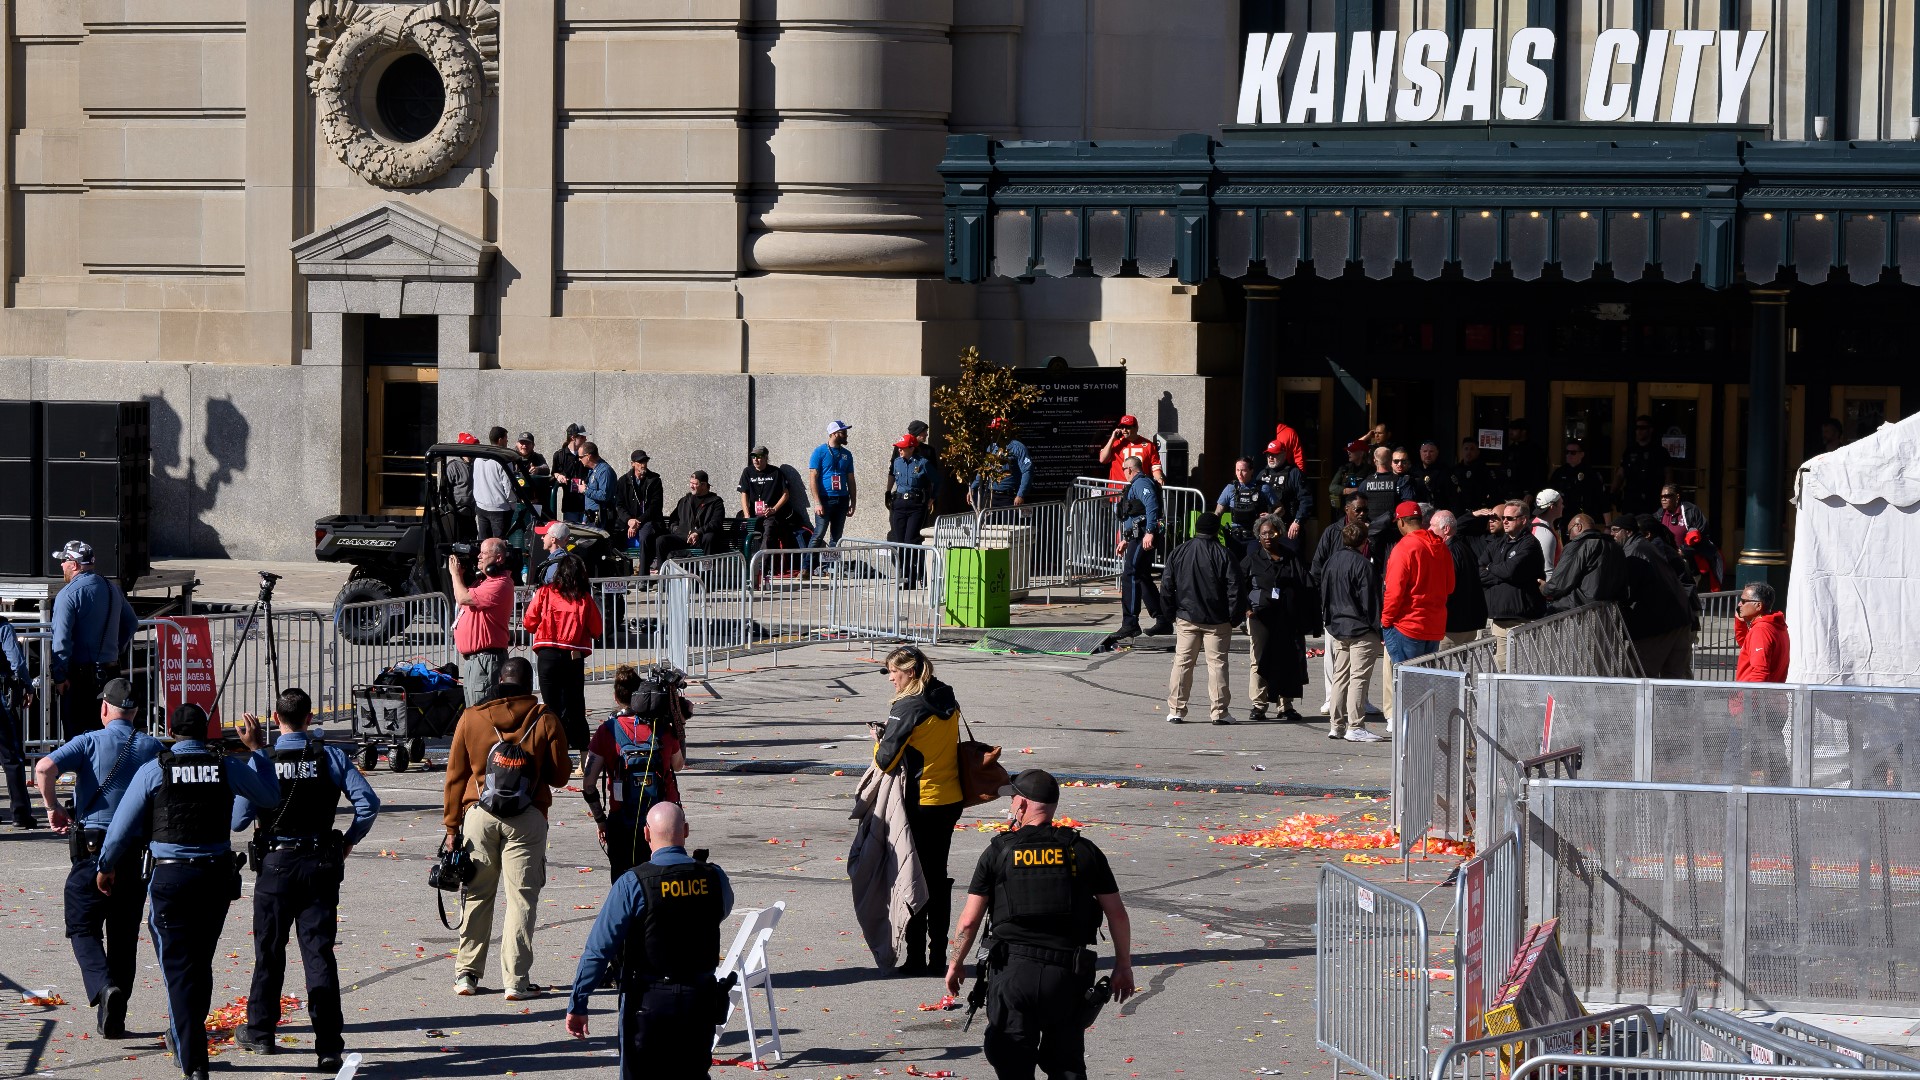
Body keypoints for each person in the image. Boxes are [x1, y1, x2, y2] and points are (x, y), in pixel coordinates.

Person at [97, 703, 278, 1080]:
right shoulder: (226, 766)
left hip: (172, 879)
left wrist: (106, 866)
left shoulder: (156, 769)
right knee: (199, 963)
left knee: (179, 970)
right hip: (214, 878)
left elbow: (120, 828)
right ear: (207, 731)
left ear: (172, 732)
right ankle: (186, 1041)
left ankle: (193, 1058)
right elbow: (269, 798)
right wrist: (258, 751)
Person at [943, 769, 1135, 1079]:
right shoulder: (1082, 851)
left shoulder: (999, 852)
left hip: (1013, 973)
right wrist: (1123, 965)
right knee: (1067, 1065)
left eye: (1012, 799)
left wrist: (956, 963)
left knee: (1012, 1062)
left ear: (1022, 804)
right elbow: (1118, 915)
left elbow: (968, 921)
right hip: (1067, 975)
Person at [232, 688, 381, 1072]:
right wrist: (347, 842)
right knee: (318, 954)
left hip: (276, 865)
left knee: (269, 951)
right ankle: (328, 1045)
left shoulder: (263, 760)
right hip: (318, 864)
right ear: (310, 719)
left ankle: (262, 1032)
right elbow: (368, 803)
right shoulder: (329, 755)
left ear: (275, 718)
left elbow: (237, 821)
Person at [566, 802, 734, 1079]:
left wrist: (578, 1002)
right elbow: (720, 912)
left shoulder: (634, 883)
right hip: (700, 998)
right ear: (687, 831)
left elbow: (599, 949)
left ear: (646, 833)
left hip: (648, 999)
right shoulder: (714, 877)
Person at [34, 678, 163, 1037]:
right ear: (135, 712)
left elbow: (44, 768)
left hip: (92, 849)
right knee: (123, 935)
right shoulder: (152, 746)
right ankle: (115, 1019)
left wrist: (53, 808)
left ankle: (105, 988)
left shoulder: (89, 740)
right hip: (134, 853)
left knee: (82, 925)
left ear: (105, 708)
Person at [443, 655, 572, 998]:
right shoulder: (544, 718)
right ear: (530, 686)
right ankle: (516, 980)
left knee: (477, 894)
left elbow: (456, 777)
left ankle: (467, 974)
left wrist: (452, 828)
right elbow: (560, 776)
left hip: (480, 815)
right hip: (527, 816)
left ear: (498, 682)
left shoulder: (472, 718)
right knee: (521, 900)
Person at [870, 646, 964, 974]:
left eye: (894, 672)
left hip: (921, 803)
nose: (891, 679)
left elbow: (886, 761)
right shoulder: (944, 695)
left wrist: (878, 739)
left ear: (909, 671)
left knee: (914, 877)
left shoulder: (907, 706)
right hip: (950, 798)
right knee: (938, 877)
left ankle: (916, 958)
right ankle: (938, 956)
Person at [582, 665, 687, 877]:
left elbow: (588, 783)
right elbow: (678, 765)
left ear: (615, 696)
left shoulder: (607, 731)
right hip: (662, 821)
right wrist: (680, 726)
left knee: (624, 885)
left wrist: (601, 820)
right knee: (661, 885)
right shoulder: (663, 729)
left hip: (622, 821)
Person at [49, 540, 138, 743]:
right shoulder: (111, 588)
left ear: (74, 564)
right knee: (107, 735)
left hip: (80, 678)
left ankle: (81, 775)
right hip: (110, 673)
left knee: (78, 739)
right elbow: (131, 623)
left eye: (64, 560)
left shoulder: (68, 594)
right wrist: (115, 649)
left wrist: (60, 677)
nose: (61, 565)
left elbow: (61, 641)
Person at [1160, 512, 1243, 725]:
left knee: (1182, 662)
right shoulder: (1224, 554)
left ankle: (1176, 709)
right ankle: (1219, 712)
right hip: (1217, 619)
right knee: (1217, 664)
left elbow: (1167, 585)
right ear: (1217, 530)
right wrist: (1235, 617)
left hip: (1186, 616)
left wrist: (1170, 613)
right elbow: (1235, 589)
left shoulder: (1180, 552)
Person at [1380, 501, 1453, 725]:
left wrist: (1385, 621)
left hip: (1407, 625)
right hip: (1432, 625)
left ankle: (1408, 733)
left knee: (1406, 684)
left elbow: (1394, 591)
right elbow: (1450, 586)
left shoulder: (1404, 548)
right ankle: (1421, 730)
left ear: (1401, 522)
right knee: (1423, 683)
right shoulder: (1440, 546)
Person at [524, 553, 601, 758]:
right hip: (573, 655)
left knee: (551, 707)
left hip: (548, 653)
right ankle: (584, 759)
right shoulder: (584, 598)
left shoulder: (544, 592)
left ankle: (554, 756)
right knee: (576, 706)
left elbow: (529, 622)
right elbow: (597, 628)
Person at [1311, 495, 1380, 719]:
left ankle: (1362, 701)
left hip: (1359, 611)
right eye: (1358, 510)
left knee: (1360, 665)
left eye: (1365, 510)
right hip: (1336, 606)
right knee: (1335, 659)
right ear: (1347, 509)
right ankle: (1332, 700)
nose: (1362, 514)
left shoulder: (1371, 533)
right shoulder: (1332, 532)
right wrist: (1324, 598)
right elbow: (1318, 566)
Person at [1241, 515, 1315, 723]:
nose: (1267, 537)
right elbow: (1237, 585)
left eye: (1271, 532)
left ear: (1279, 533)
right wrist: (1246, 609)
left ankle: (1286, 705)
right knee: (1259, 660)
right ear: (1258, 536)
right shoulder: (1252, 559)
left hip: (1287, 618)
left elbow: (1305, 586)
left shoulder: (1291, 557)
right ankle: (1259, 704)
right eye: (1263, 533)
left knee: (1287, 660)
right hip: (1260, 618)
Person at [1320, 522, 1383, 742]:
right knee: (1357, 678)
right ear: (1364, 542)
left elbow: (1324, 594)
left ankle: (1336, 725)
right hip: (1360, 628)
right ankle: (1355, 725)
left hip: (1339, 626)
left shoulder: (1332, 562)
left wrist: (1329, 621)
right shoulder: (1364, 565)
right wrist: (1380, 630)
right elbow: (1371, 602)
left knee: (1340, 676)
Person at [1614, 515, 1694, 679]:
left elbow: (1628, 592)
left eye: (1615, 531)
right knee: (1674, 679)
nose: (1612, 535)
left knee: (1638, 676)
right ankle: (1676, 706)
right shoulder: (1646, 547)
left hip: (1658, 625)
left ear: (1628, 532)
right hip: (1678, 619)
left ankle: (1643, 706)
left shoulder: (1634, 552)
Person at [1731, 582, 1790, 782]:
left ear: (1758, 605)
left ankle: (1727, 804)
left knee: (1734, 760)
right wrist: (1740, 622)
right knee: (1773, 759)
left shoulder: (1762, 630)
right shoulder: (1772, 627)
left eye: (1744, 601)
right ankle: (1781, 798)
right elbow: (1747, 644)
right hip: (1772, 703)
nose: (1739, 604)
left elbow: (1760, 670)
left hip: (1757, 706)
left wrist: (1748, 705)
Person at [1479, 499, 1546, 669]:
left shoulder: (1530, 544)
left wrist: (1491, 568)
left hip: (1522, 617)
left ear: (1523, 520)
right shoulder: (1498, 543)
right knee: (1501, 666)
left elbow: (1511, 570)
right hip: (1499, 617)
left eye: (1510, 518)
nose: (1505, 521)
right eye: (1503, 518)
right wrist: (1502, 574)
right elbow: (1478, 571)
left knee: (1522, 668)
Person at [451, 538, 513, 706]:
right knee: (474, 714)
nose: (479, 556)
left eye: (484, 553)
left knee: (483, 712)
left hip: (485, 660)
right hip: (475, 660)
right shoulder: (483, 582)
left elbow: (463, 597)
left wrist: (455, 574)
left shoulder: (500, 584)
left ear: (498, 558)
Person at [1112, 455, 1167, 639]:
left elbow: (1152, 507)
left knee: (1131, 573)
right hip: (1138, 536)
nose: (1124, 474)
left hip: (1144, 535)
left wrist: (1150, 531)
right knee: (1142, 576)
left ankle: (1130, 623)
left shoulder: (1141, 484)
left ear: (1129, 469)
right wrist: (1126, 539)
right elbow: (1135, 515)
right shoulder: (1135, 485)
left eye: (1124, 470)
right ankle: (1163, 619)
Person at [1540, 513, 1626, 613]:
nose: (1570, 537)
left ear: (1578, 526)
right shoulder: (1616, 547)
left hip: (1579, 612)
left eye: (1569, 532)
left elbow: (1559, 584)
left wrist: (1544, 587)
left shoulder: (1578, 545)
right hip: (1609, 613)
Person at [887, 434, 939, 589]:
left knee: (911, 540)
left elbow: (937, 481)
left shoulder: (923, 463)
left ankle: (913, 577)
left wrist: (932, 498)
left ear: (911, 448)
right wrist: (888, 494)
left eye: (903, 448)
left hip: (916, 505)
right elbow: (893, 478)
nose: (899, 450)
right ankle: (904, 576)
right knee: (900, 542)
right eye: (899, 448)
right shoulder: (897, 463)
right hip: (900, 504)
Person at [1431, 510, 1486, 647]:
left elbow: (1447, 588)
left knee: (1446, 667)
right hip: (1466, 623)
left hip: (1452, 627)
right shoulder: (1462, 548)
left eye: (1433, 525)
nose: (1429, 529)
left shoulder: (1449, 552)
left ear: (1446, 529)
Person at [651, 471, 728, 569]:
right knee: (661, 541)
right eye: (691, 483)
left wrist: (698, 532)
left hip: (702, 539)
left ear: (704, 485)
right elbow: (673, 519)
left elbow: (716, 523)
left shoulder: (715, 502)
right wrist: (676, 529)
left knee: (710, 538)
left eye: (695, 484)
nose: (691, 486)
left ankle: (706, 573)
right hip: (684, 537)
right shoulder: (685, 500)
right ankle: (662, 575)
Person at [0, 621, 35, 827]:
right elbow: (17, 662)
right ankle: (20, 813)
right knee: (12, 757)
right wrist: (27, 686)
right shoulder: (3, 628)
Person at [1359, 446, 1413, 578]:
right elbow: (1408, 507)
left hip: (1371, 536)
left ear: (1374, 461)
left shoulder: (1366, 483)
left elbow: (1357, 506)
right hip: (1393, 535)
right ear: (1390, 461)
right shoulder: (1400, 482)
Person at [809, 420, 858, 561]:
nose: (846, 435)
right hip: (825, 499)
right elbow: (813, 477)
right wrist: (817, 502)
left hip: (842, 499)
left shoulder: (847, 454)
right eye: (843, 432)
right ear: (834, 433)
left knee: (836, 537)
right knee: (818, 533)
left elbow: (851, 479)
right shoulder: (819, 452)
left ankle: (832, 567)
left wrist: (853, 502)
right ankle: (806, 566)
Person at [1215, 457, 1278, 564]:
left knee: (1253, 565)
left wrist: (1270, 516)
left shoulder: (1263, 488)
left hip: (1255, 536)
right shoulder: (1230, 489)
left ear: (1251, 471)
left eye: (1243, 470)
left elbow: (1280, 509)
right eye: (1237, 470)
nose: (1240, 474)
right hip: (1235, 537)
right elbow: (1218, 512)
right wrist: (1212, 529)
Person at [738, 446, 796, 554]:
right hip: (752, 513)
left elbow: (785, 494)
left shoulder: (776, 472)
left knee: (769, 530)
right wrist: (746, 515)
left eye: (759, 457)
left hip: (770, 514)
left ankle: (762, 564)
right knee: (740, 528)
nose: (755, 459)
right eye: (753, 456)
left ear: (765, 457)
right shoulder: (747, 472)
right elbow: (744, 493)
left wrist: (773, 509)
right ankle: (742, 561)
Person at [1256, 439, 1312, 548]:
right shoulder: (1262, 474)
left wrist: (1297, 521)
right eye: (1268, 454)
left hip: (1288, 527)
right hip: (1265, 530)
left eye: (1274, 454)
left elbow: (1306, 500)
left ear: (1284, 455)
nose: (1270, 457)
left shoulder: (1294, 474)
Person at [970, 417, 1033, 509]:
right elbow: (984, 470)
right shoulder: (991, 448)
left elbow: (1027, 471)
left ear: (1004, 431)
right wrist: (973, 487)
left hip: (1009, 497)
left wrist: (1020, 495)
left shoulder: (1018, 448)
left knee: (1009, 524)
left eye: (995, 430)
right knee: (989, 523)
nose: (992, 433)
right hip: (991, 496)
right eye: (992, 430)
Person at [620, 449, 667, 573]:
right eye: (640, 462)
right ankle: (622, 575)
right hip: (629, 522)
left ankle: (643, 577)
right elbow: (619, 505)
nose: (643, 464)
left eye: (645, 461)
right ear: (633, 464)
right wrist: (629, 520)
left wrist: (638, 522)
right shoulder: (623, 481)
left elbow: (655, 506)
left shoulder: (655, 480)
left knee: (645, 536)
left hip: (649, 520)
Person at [1615, 414, 1671, 514]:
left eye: (1643, 428)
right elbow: (1620, 474)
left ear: (1650, 430)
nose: (1639, 431)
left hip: (1653, 499)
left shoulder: (1660, 452)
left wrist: (1667, 496)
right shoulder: (1630, 451)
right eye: (1637, 428)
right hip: (1632, 498)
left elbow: (1668, 474)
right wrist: (1613, 492)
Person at [1547, 440, 1608, 525]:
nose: (1569, 455)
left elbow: (1602, 499)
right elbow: (1549, 494)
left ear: (1582, 454)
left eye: (1573, 452)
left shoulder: (1590, 473)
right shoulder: (1559, 472)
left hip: (1583, 517)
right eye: (1567, 452)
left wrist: (1608, 525)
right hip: (1562, 517)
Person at [474, 427, 517, 540]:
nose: (507, 441)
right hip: (500, 509)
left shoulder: (478, 458)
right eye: (506, 438)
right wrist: (513, 505)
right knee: (499, 545)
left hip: (481, 506)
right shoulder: (504, 460)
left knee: (483, 544)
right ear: (500, 440)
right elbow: (508, 486)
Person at [1098, 414, 1162, 483]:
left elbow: (1155, 466)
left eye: (1128, 427)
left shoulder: (1149, 445)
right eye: (1122, 427)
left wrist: (1159, 479)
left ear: (1136, 427)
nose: (1124, 430)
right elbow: (1102, 460)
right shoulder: (1116, 443)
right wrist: (1112, 439)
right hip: (1117, 489)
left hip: (1139, 488)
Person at [1450, 436, 1499, 517]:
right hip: (1459, 513)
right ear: (1462, 450)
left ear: (1478, 451)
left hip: (1479, 512)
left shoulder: (1484, 470)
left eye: (1472, 449)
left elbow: (1493, 493)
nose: (1468, 452)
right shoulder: (1455, 470)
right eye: (1466, 449)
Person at [553, 423, 591, 523]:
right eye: (582, 437)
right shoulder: (560, 455)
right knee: (571, 534)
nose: (585, 439)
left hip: (586, 503)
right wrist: (558, 476)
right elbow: (553, 472)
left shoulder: (587, 455)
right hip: (570, 503)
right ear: (573, 437)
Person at [1502, 419, 1547, 501]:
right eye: (1510, 429)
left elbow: (1540, 474)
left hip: (1525, 495)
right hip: (1509, 493)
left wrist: (1532, 492)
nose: (1511, 432)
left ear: (1523, 432)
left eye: (1515, 429)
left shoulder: (1534, 450)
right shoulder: (1509, 450)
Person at [579, 442, 618, 532]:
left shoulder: (604, 471)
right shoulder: (592, 471)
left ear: (588, 456)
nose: (579, 459)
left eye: (581, 457)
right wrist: (585, 519)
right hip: (591, 518)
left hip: (601, 519)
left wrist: (585, 490)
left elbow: (604, 495)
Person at [446, 433, 478, 540]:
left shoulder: (476, 464)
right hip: (458, 513)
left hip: (472, 512)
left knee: (472, 539)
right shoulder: (453, 466)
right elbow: (446, 489)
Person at [1329, 439, 1370, 517]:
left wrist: (1359, 490)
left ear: (1361, 453)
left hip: (1361, 512)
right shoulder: (1344, 469)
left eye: (1352, 450)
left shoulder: (1370, 471)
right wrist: (1348, 490)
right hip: (1344, 511)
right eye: (1348, 450)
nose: (1349, 452)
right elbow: (1332, 487)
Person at [1413, 441, 1454, 515]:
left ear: (1437, 453)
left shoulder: (1445, 471)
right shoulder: (1414, 471)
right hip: (1419, 514)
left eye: (1431, 451)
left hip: (1439, 513)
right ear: (1420, 452)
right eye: (1425, 451)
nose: (1428, 455)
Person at [1531, 489, 1564, 576]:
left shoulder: (1540, 524)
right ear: (1552, 507)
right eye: (1561, 503)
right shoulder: (1545, 534)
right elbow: (1548, 571)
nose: (1563, 506)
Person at [531, 519, 571, 584]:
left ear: (553, 539)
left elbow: (554, 591)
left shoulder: (555, 565)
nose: (542, 538)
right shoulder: (569, 560)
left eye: (544, 535)